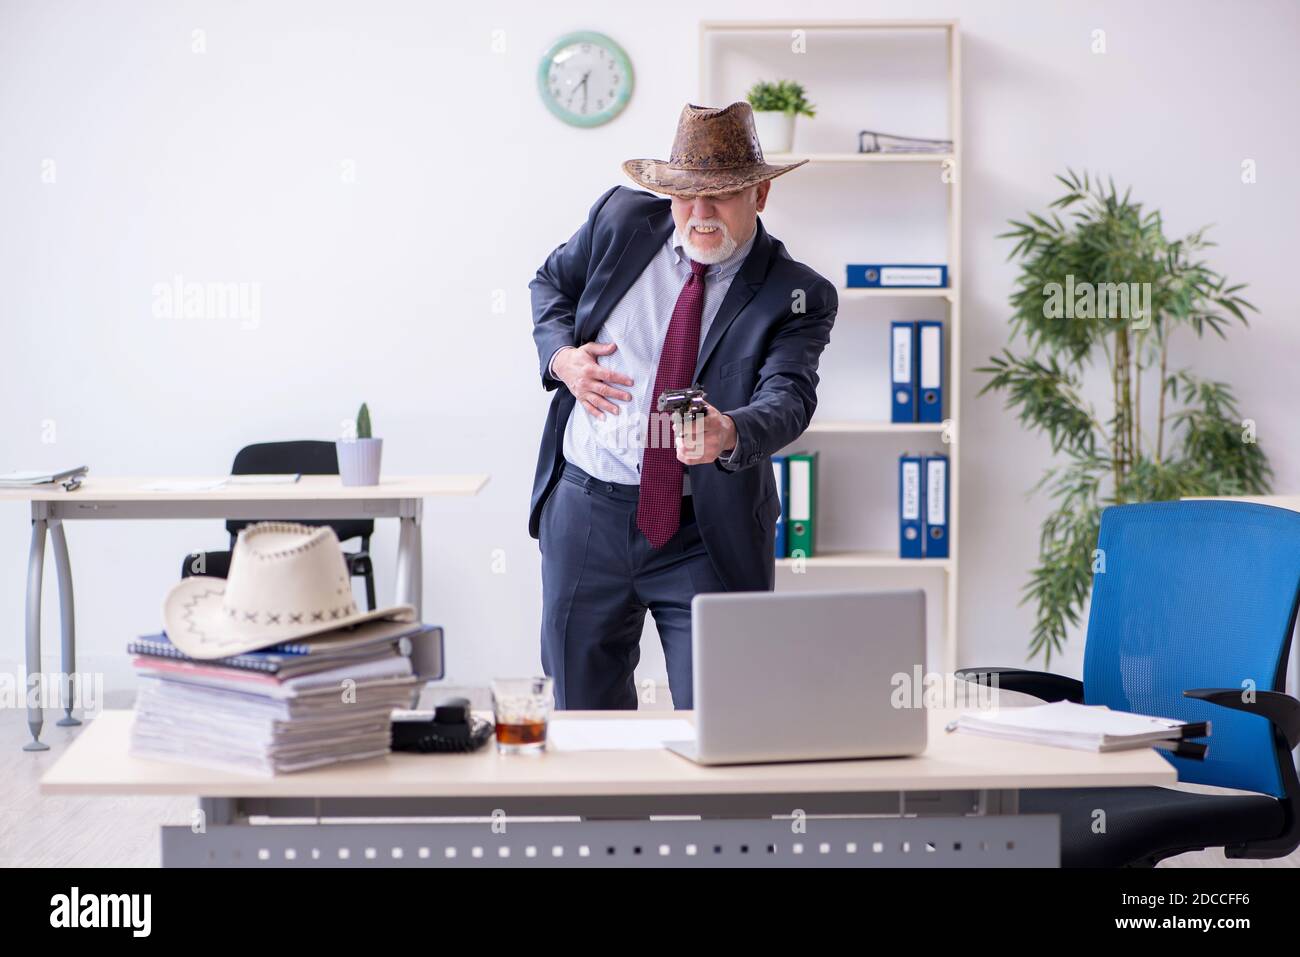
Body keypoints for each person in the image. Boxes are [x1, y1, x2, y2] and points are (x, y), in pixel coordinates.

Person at [528, 102, 837, 709]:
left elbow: (790, 395)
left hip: (705, 529)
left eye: (719, 197)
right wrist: (563, 358)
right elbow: (550, 285)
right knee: (586, 724)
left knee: (726, 721)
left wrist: (730, 430)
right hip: (587, 511)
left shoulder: (797, 292)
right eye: (684, 196)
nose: (698, 215)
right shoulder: (619, 221)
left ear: (761, 194)